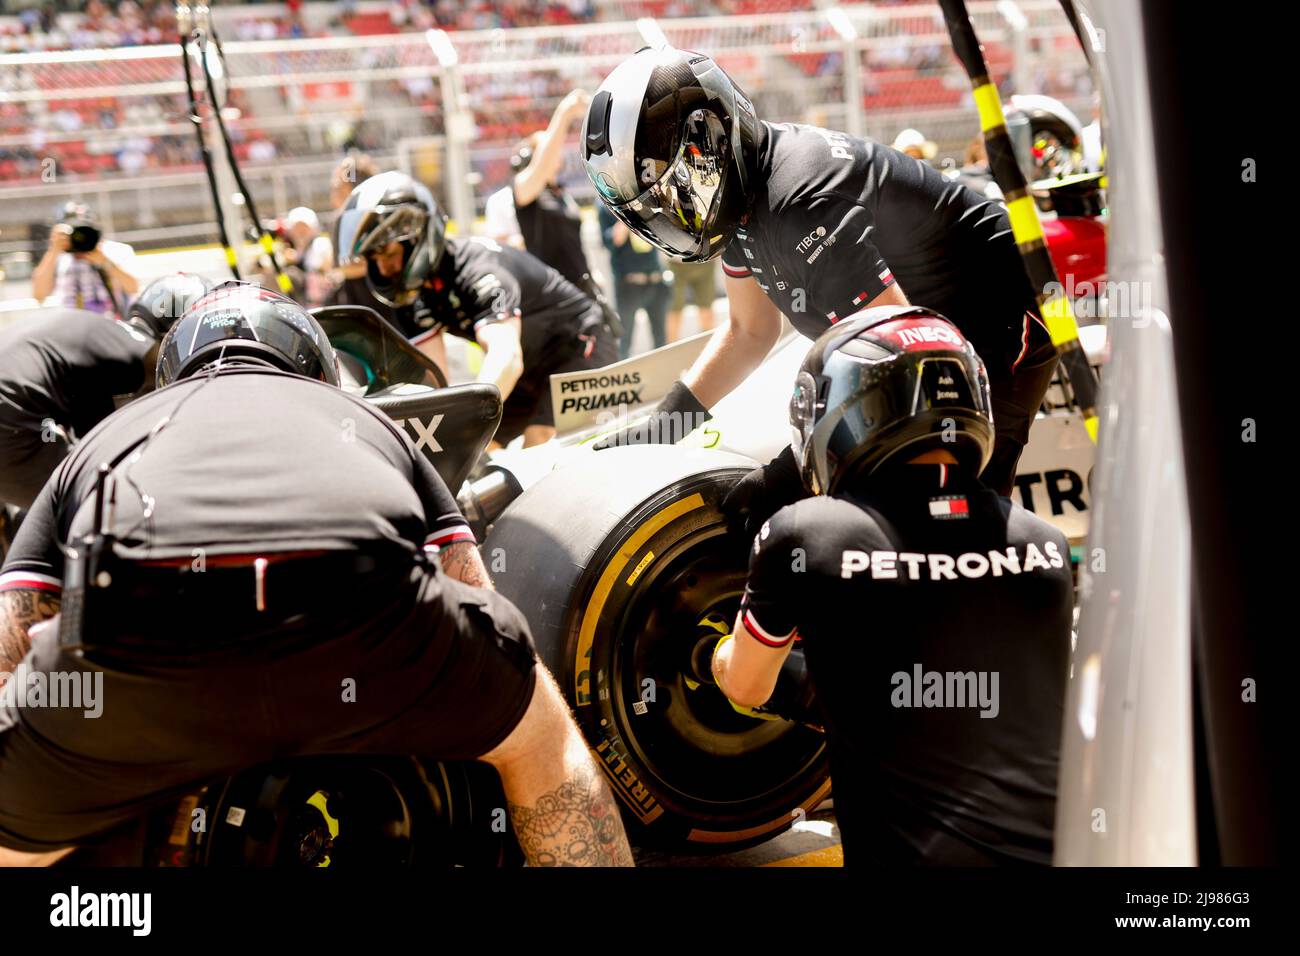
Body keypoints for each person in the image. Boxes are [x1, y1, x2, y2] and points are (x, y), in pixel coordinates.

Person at [0, 281, 634, 867]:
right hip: (365, 611)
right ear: (316, 365)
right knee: (539, 742)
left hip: (139, 635)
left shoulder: (102, 439)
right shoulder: (370, 422)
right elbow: (472, 589)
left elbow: (16, 640)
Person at [581, 45, 1059, 501]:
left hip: (997, 312)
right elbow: (749, 330)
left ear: (714, 138)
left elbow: (900, 364)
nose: (674, 212)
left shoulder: (798, 201)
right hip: (924, 327)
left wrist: (783, 477)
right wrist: (664, 425)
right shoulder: (745, 194)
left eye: (676, 189)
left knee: (947, 499)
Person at [711, 306, 1073, 866]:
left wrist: (722, 654)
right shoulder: (1045, 545)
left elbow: (746, 687)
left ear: (847, 407)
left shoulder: (804, 534)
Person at [337, 171, 618, 448]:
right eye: (373, 258)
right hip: (530, 368)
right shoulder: (413, 298)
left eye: (389, 253)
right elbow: (433, 382)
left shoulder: (478, 269)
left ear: (417, 239)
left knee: (537, 441)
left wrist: (465, 423)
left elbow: (506, 356)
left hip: (580, 344)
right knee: (477, 454)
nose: (383, 268)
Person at [0, 274, 210, 513]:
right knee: (111, 504)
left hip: (15, 418)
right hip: (14, 428)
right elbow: (106, 440)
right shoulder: (142, 354)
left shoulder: (106, 336)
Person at [30, 202, 140, 317]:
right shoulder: (58, 256)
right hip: (71, 327)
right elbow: (39, 295)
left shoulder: (116, 251)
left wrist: (104, 261)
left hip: (110, 326)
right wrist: (54, 250)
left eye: (83, 230)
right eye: (72, 233)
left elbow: (133, 287)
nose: (79, 237)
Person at [598, 203, 670, 358]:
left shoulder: (645, 201)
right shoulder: (605, 206)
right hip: (628, 284)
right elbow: (609, 242)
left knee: (661, 341)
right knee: (624, 342)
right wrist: (628, 213)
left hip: (656, 281)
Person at [666, 257, 718, 342]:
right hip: (676, 262)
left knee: (706, 306)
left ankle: (709, 344)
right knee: (674, 307)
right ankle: (671, 347)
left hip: (705, 261)